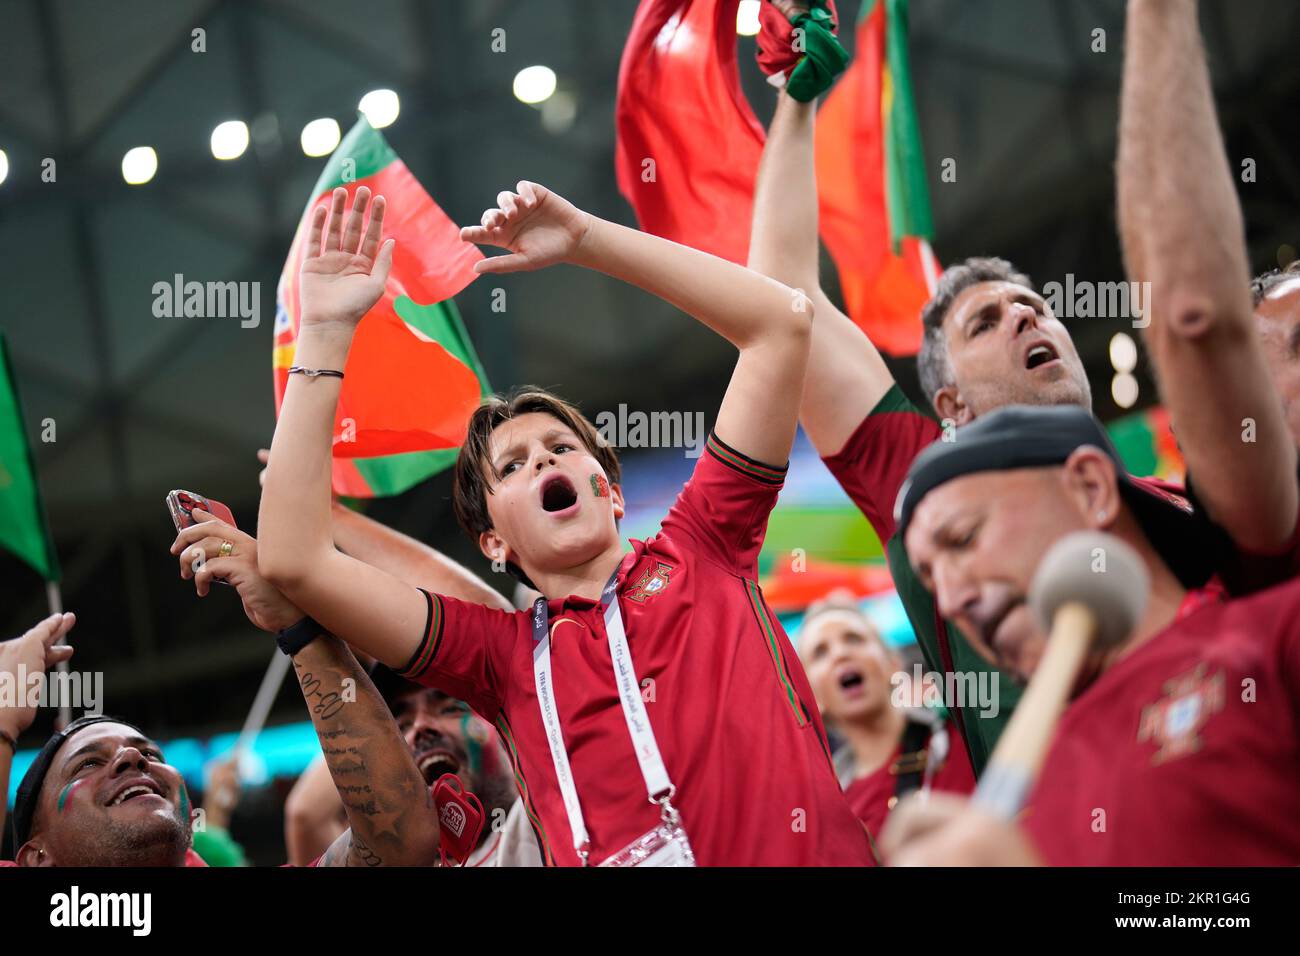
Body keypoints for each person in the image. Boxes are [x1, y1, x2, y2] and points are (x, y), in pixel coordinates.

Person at [257, 182, 872, 865]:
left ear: (608, 491)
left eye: (561, 448)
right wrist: (325, 331)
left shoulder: (707, 542)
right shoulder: (498, 658)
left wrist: (586, 240)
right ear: (493, 540)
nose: (543, 457)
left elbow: (782, 322)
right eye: (512, 466)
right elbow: (294, 560)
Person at [881, 404, 1300, 866]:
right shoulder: (1036, 790)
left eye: (963, 538)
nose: (951, 600)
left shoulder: (1275, 635)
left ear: (1090, 488)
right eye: (931, 580)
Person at [797, 592, 973, 849]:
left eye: (854, 638)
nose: (840, 654)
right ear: (813, 697)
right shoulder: (829, 807)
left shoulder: (960, 729)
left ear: (892, 664)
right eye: (820, 652)